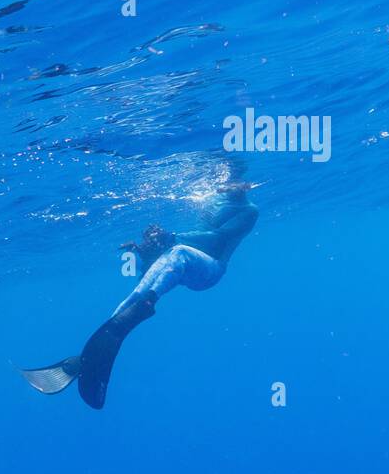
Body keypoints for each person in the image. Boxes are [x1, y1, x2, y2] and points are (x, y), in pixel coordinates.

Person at [23, 170, 258, 409]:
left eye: (234, 182)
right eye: (225, 181)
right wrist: (149, 251)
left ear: (244, 186)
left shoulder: (249, 212)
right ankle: (115, 322)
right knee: (167, 259)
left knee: (179, 253)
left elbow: (217, 239)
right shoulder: (213, 199)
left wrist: (173, 237)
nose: (227, 186)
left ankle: (147, 302)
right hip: (185, 264)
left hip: (210, 271)